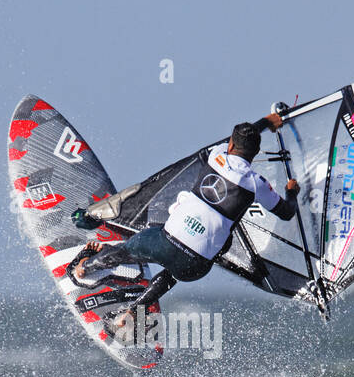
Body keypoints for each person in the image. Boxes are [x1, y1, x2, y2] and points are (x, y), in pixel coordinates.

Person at [70, 112, 299, 336]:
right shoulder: (256, 183)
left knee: (126, 251)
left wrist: (265, 122)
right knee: (173, 273)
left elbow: (240, 140)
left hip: (164, 242)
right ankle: (132, 311)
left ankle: (84, 269)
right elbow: (287, 213)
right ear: (256, 152)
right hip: (195, 266)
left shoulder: (217, 155)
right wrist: (291, 192)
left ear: (230, 144)